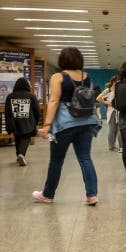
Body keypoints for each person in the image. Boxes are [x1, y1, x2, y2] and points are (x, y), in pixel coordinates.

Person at [33, 47, 100, 205]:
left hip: (65, 124)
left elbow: (54, 101)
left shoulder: (58, 77)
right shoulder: (87, 77)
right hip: (86, 122)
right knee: (85, 158)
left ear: (63, 60)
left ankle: (48, 194)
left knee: (56, 160)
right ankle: (92, 195)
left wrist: (47, 124)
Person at [4, 77, 41, 166]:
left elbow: (7, 111)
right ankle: (21, 155)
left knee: (17, 138)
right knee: (25, 138)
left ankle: (19, 155)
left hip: (15, 121)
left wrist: (8, 123)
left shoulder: (10, 96)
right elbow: (37, 110)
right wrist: (36, 121)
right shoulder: (31, 96)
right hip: (28, 121)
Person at [96, 78, 121, 152]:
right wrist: (108, 103)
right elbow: (98, 98)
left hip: (120, 111)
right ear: (113, 82)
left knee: (118, 130)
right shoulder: (108, 90)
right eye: (118, 81)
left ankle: (116, 146)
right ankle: (111, 147)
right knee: (112, 129)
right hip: (112, 111)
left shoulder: (119, 89)